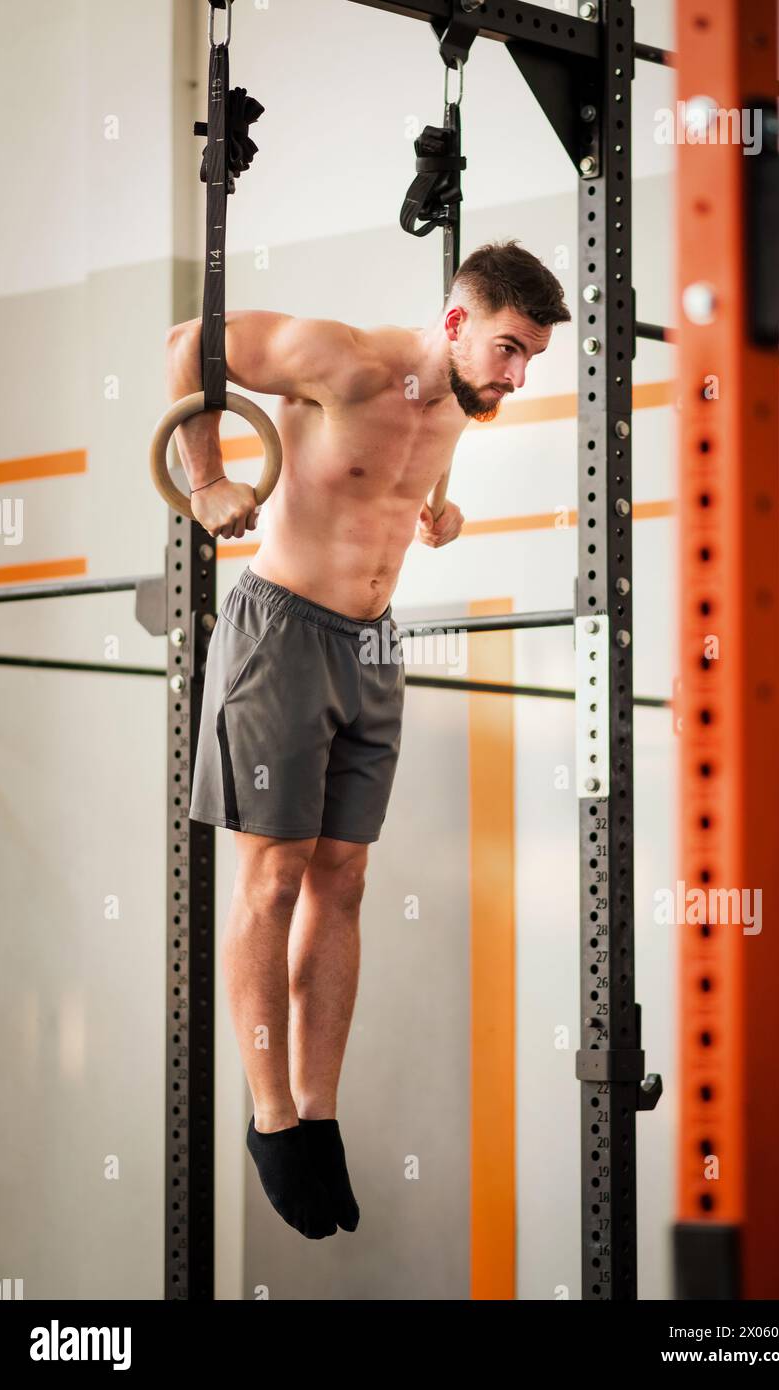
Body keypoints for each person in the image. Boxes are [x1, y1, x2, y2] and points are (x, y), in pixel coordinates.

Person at [164, 239, 571, 1239]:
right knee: (272, 880)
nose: (516, 377)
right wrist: (208, 474)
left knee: (341, 881)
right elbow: (187, 343)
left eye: (528, 360)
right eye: (509, 351)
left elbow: (405, 468)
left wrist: (436, 512)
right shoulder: (340, 359)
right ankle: (271, 1117)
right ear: (451, 325)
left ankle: (319, 1113)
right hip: (282, 632)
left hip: (372, 644)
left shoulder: (456, 402)